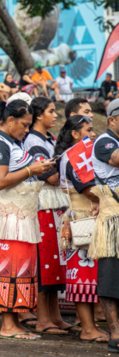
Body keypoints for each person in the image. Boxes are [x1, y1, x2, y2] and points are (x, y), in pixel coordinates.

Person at [0, 99, 55, 340]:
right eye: (24, 125)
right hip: (8, 217)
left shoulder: (12, 142)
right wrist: (32, 170)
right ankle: (7, 325)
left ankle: (14, 321)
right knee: (9, 266)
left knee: (21, 267)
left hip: (21, 214)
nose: (27, 130)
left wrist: (37, 168)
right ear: (10, 121)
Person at [55, 115, 111, 342]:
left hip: (92, 218)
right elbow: (89, 190)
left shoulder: (82, 154)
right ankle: (87, 329)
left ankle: (91, 325)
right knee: (83, 276)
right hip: (81, 221)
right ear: (75, 134)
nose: (93, 134)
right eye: (88, 130)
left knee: (94, 276)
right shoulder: (73, 156)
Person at [22, 97, 73, 335]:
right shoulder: (33, 141)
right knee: (45, 264)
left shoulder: (49, 139)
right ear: (39, 115)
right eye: (51, 111)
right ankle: (43, 319)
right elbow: (51, 177)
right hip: (43, 204)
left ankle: (55, 316)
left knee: (55, 263)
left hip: (55, 204)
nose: (55, 115)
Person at [88, 99, 119, 352]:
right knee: (110, 277)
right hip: (113, 220)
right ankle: (115, 334)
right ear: (112, 120)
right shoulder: (104, 142)